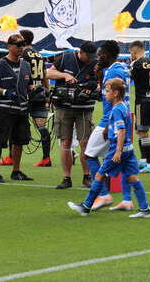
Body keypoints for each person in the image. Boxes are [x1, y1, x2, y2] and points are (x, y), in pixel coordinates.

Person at [67, 77, 150, 218]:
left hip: (118, 150)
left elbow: (121, 130)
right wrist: (108, 129)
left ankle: (86, 206)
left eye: (107, 91)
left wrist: (117, 151)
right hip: (128, 149)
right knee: (132, 177)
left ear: (116, 93)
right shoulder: (123, 106)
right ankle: (145, 209)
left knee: (99, 175)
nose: (105, 94)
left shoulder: (117, 109)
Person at [80, 40, 131, 212]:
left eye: (100, 54)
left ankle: (103, 194)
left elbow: (116, 98)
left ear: (106, 55)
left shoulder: (114, 71)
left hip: (110, 120)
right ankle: (126, 199)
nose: (98, 57)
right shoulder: (120, 68)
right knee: (122, 160)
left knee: (89, 155)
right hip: (120, 118)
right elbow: (106, 94)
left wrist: (110, 125)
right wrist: (99, 75)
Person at [46, 41, 98, 189]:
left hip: (85, 108)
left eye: (92, 57)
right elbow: (48, 73)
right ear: (80, 52)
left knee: (85, 143)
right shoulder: (65, 57)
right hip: (64, 106)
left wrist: (90, 88)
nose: (90, 59)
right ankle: (66, 178)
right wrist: (64, 75)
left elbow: (100, 82)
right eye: (88, 56)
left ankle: (87, 176)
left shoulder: (95, 63)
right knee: (65, 143)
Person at [0, 33, 34, 183]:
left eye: (23, 44)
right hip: (2, 108)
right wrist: (5, 92)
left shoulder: (26, 65)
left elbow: (29, 85)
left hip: (21, 109)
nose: (21, 47)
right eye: (18, 45)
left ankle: (16, 171)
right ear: (9, 46)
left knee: (19, 141)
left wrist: (36, 91)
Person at [20, 29, 53, 168]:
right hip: (40, 93)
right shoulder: (39, 54)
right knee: (42, 126)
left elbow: (21, 73)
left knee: (15, 124)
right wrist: (47, 93)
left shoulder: (22, 54)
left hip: (26, 93)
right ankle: (46, 158)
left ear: (23, 39)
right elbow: (45, 75)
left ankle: (11, 157)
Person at [128, 41, 150, 174]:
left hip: (142, 101)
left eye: (131, 53)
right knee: (141, 131)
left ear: (134, 51)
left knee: (142, 132)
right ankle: (143, 160)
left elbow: (128, 79)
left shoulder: (136, 63)